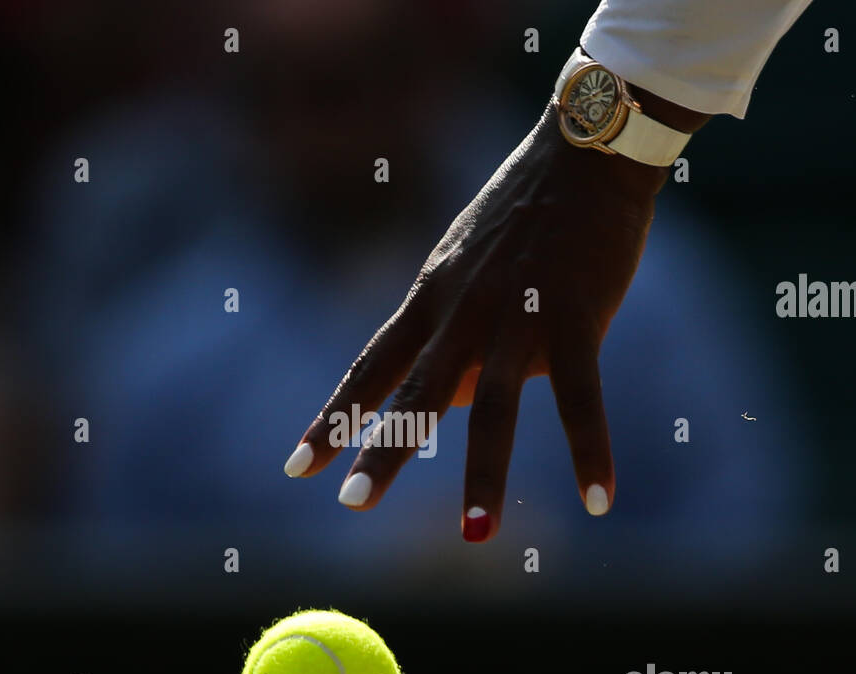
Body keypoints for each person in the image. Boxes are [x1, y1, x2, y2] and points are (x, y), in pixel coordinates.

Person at [284, 0, 815, 542]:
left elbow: (739, 513)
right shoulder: (202, 317)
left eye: (343, 86)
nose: (313, 132)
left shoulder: (645, 283)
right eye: (276, 91)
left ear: (435, 67)